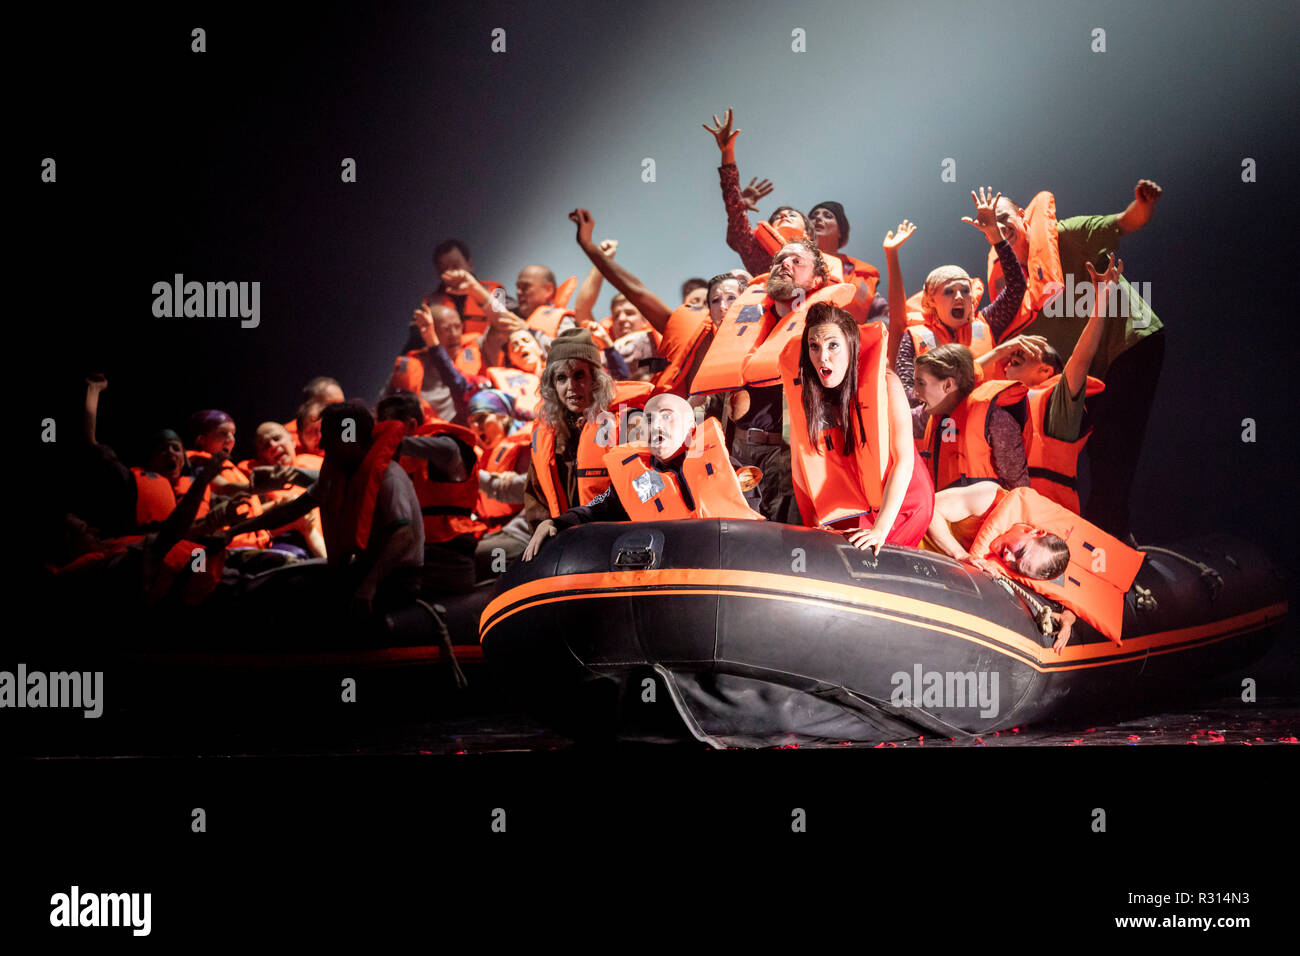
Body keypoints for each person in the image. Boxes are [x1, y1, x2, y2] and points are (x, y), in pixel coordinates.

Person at [988, 181, 1166, 542]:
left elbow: (1125, 222)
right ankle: (1099, 539)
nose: (1003, 229)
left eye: (1005, 218)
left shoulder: (1067, 235)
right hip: (1085, 372)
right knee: (1079, 455)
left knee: (1111, 452)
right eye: (993, 225)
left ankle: (1112, 545)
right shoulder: (1011, 289)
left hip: (1129, 343)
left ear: (1022, 216)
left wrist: (1143, 204)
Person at [691, 238, 857, 523]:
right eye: (780, 260)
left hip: (789, 457)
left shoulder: (826, 330)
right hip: (737, 452)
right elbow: (715, 394)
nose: (785, 264)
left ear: (817, 278)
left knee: (785, 542)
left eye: (796, 261)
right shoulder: (743, 326)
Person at [218, 402, 424, 615]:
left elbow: (403, 535)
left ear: (348, 435)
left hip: (396, 579)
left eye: (327, 436)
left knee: (296, 597)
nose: (322, 444)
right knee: (277, 582)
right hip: (361, 571)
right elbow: (289, 511)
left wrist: (369, 587)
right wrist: (232, 532)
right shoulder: (338, 477)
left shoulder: (389, 477)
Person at [523, 393, 761, 559]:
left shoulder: (730, 470)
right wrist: (555, 522)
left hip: (722, 573)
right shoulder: (637, 479)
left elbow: (755, 535)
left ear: (691, 427)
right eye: (649, 419)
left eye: (667, 416)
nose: (656, 424)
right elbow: (594, 510)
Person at [781, 304, 934, 550]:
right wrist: (811, 526)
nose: (823, 357)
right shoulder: (807, 394)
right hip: (856, 502)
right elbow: (800, 465)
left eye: (833, 345)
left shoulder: (886, 383)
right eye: (814, 346)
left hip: (903, 503)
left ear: (851, 346)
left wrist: (880, 529)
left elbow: (904, 460)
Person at [924, 483, 1143, 653]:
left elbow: (1064, 592)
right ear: (1035, 532)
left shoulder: (1028, 564)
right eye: (1020, 551)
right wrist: (961, 555)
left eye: (1016, 566)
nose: (1008, 557)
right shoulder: (989, 498)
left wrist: (1068, 617)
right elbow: (928, 509)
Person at [979, 255, 1123, 512]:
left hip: (1046, 518)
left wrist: (1102, 300)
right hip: (1004, 513)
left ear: (1045, 369)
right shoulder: (1001, 399)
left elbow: (1079, 361)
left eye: (1027, 351)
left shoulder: (1057, 403)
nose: (1016, 354)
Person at [884, 189, 1028, 413]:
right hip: (938, 431)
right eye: (949, 292)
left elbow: (1017, 287)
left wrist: (996, 237)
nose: (959, 296)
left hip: (987, 425)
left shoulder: (988, 322)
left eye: (965, 290)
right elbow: (908, 394)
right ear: (932, 301)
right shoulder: (914, 339)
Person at [569, 208, 710, 397]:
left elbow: (637, 293)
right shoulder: (607, 340)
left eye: (629, 313)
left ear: (645, 320)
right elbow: (632, 292)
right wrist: (589, 247)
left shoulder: (654, 344)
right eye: (694, 302)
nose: (622, 319)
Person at [521, 328, 653, 527]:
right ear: (552, 385)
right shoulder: (546, 434)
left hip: (620, 541)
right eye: (561, 378)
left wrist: (570, 521)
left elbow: (644, 487)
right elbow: (536, 498)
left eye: (579, 375)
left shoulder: (630, 421)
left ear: (595, 379)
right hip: (566, 542)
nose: (571, 386)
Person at [376, 392, 481, 594]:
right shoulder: (400, 461)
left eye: (386, 428)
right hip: (419, 553)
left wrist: (380, 441)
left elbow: (444, 450)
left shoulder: (447, 449)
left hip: (449, 558)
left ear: (412, 424)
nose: (382, 434)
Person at [912, 344, 1030, 491]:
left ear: (948, 385)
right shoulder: (933, 414)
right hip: (943, 511)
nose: (914, 392)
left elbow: (1018, 489)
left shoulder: (996, 419)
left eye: (921, 383)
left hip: (989, 513)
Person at [466, 389, 534, 579]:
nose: (475, 426)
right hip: (494, 529)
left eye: (481, 418)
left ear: (502, 417)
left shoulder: (524, 447)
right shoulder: (488, 452)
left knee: (481, 557)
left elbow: (524, 491)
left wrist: (473, 476)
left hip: (519, 533)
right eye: (471, 421)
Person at [240, 421, 327, 558]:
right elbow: (251, 514)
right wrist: (279, 504)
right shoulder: (261, 480)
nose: (273, 446)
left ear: (292, 441)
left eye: (277, 438)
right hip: (300, 541)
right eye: (266, 445)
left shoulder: (316, 462)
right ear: (262, 457)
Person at [807, 200, 888, 323]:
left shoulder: (861, 274)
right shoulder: (786, 259)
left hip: (846, 338)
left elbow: (883, 317)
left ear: (840, 232)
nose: (818, 218)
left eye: (828, 216)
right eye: (813, 217)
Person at [424, 238, 506, 334]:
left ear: (470, 264)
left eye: (455, 266)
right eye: (444, 269)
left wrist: (478, 293)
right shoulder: (430, 304)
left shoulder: (496, 291)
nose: (451, 272)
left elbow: (508, 323)